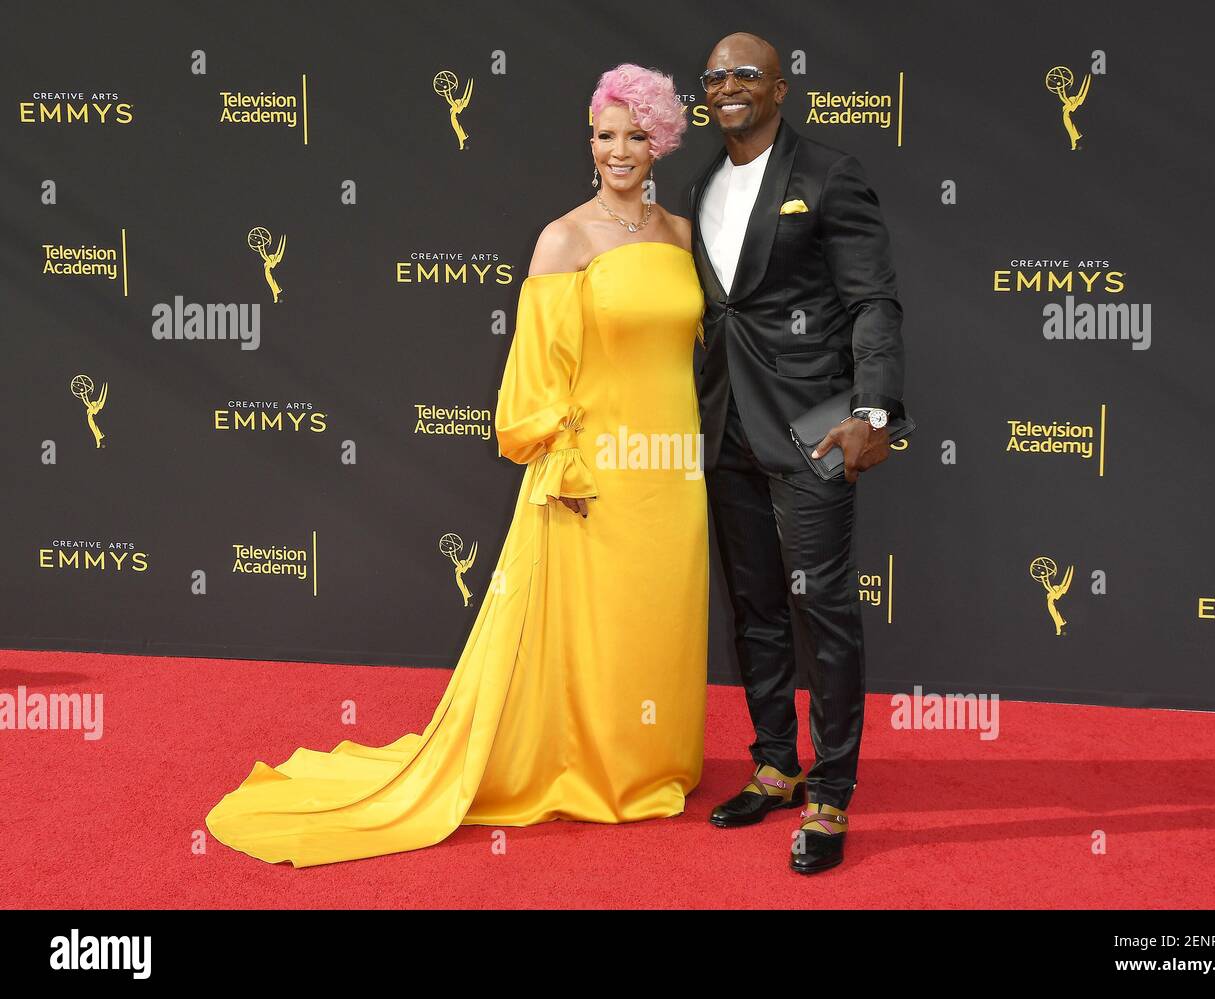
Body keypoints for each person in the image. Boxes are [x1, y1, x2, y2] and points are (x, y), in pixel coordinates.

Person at [204, 64, 707, 867]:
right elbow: (533, 376)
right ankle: (597, 767)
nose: (620, 151)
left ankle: (655, 761)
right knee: (596, 621)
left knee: (660, 615)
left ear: (663, 142)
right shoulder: (564, 238)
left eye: (636, 135)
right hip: (594, 469)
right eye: (605, 135)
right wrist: (563, 460)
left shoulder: (683, 236)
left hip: (673, 468)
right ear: (590, 144)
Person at [689, 33, 905, 874]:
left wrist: (873, 408)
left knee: (824, 610)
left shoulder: (828, 174)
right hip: (726, 427)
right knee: (755, 606)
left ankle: (831, 794)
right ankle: (775, 762)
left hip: (816, 424)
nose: (729, 86)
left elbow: (874, 302)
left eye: (747, 74)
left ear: (780, 88)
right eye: (716, 77)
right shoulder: (702, 184)